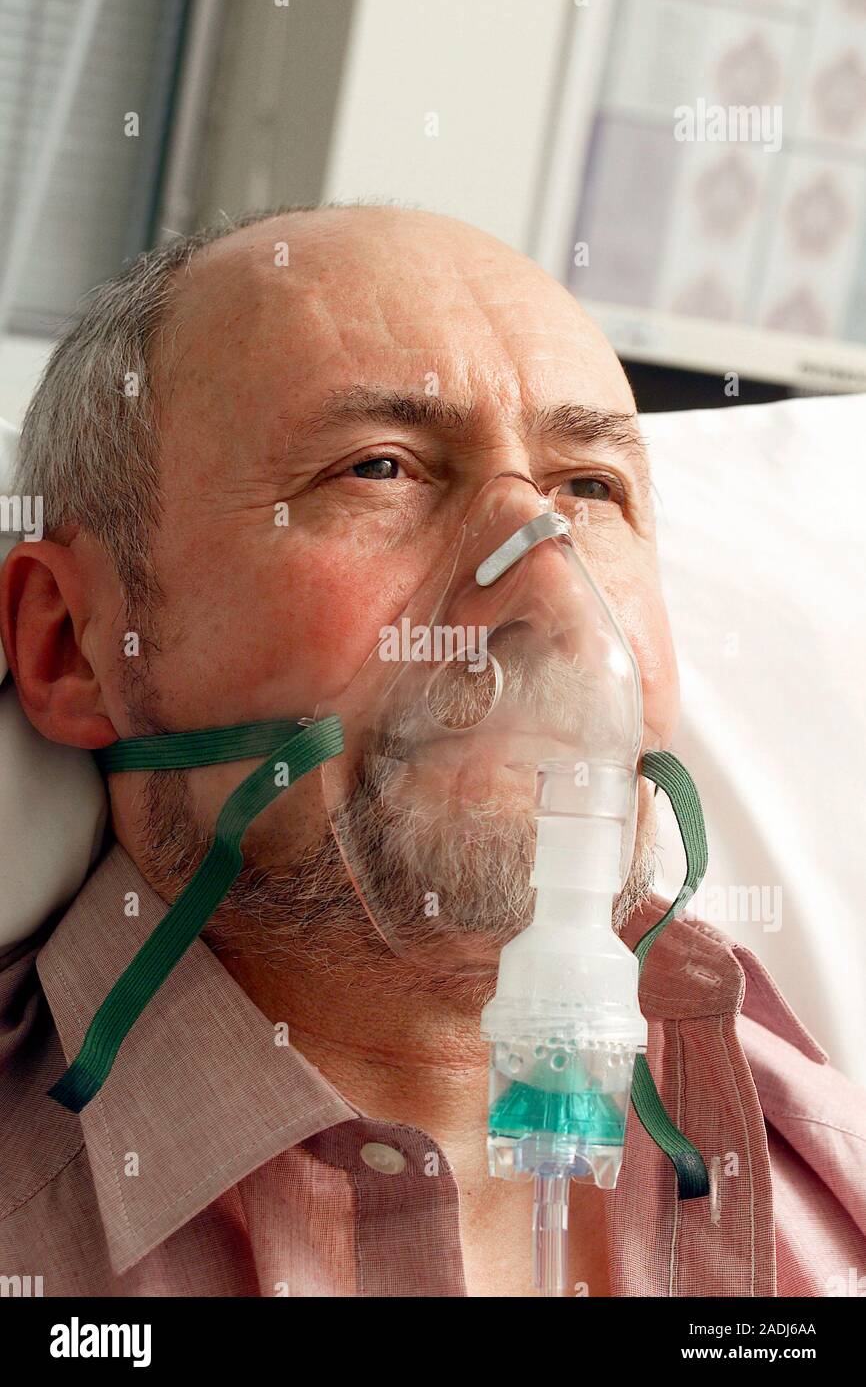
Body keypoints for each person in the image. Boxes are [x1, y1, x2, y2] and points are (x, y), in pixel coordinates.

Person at [1, 205, 864, 1297]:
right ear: (72, 644)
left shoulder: (828, 1178)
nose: (549, 596)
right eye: (379, 469)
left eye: (588, 490)